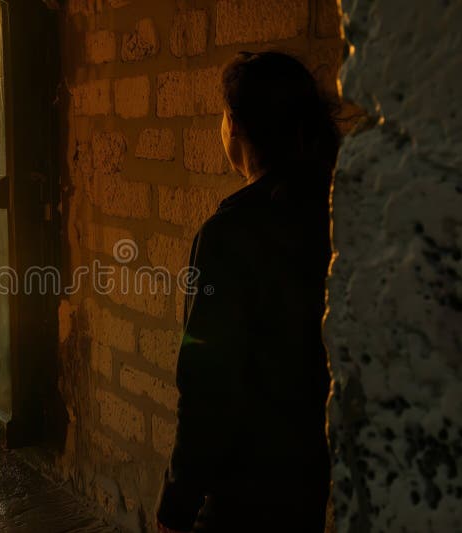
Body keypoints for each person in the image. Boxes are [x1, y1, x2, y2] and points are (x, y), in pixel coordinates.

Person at [155, 51, 341, 533]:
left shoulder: (229, 235)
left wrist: (177, 504)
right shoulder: (333, 215)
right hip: (308, 478)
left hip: (242, 494)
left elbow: (207, 389)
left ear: (233, 125)